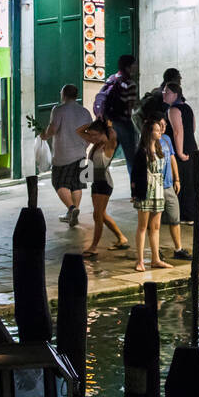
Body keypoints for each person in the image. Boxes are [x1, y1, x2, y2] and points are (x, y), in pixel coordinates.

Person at [43, 84, 94, 227]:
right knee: (77, 185)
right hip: (81, 154)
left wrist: (44, 135)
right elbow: (90, 133)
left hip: (63, 155)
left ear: (63, 94)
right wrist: (84, 147)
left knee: (59, 183)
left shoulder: (58, 110)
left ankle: (71, 209)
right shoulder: (84, 112)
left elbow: (53, 128)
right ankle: (74, 212)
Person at [77, 118, 129, 257]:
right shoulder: (96, 144)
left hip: (104, 183)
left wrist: (108, 126)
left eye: (95, 135)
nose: (92, 138)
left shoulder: (108, 145)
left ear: (102, 133)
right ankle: (121, 238)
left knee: (98, 216)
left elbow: (113, 135)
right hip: (96, 182)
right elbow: (79, 131)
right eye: (91, 135)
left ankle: (94, 247)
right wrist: (94, 124)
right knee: (101, 214)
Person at [161, 70, 198, 259]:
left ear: (175, 94)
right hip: (192, 147)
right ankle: (190, 215)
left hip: (182, 149)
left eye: (167, 92)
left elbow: (178, 131)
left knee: (182, 182)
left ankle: (186, 214)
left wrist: (180, 152)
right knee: (191, 181)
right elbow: (192, 128)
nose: (164, 94)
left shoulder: (173, 110)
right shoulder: (188, 107)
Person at [129, 117, 171, 272]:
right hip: (146, 190)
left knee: (156, 226)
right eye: (156, 129)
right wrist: (134, 192)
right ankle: (140, 261)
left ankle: (156, 259)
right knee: (142, 226)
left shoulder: (160, 148)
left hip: (159, 189)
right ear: (149, 132)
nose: (159, 131)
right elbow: (134, 174)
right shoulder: (142, 151)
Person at [108, 54, 140, 181]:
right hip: (124, 122)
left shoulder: (113, 79)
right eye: (134, 64)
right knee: (131, 157)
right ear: (128, 67)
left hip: (112, 123)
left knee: (106, 156)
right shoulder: (130, 83)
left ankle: (98, 184)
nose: (136, 66)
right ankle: (136, 188)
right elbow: (130, 106)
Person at [158, 121, 184, 261]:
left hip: (168, 186)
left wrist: (177, 179)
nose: (163, 128)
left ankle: (178, 248)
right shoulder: (149, 142)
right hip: (156, 187)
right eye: (160, 125)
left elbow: (172, 158)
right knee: (155, 222)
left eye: (164, 125)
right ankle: (156, 251)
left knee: (175, 218)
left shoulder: (167, 139)